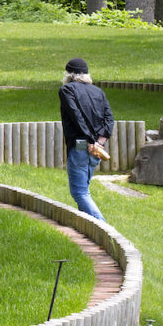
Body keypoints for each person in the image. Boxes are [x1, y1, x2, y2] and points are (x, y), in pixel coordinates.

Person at [57, 56, 113, 220]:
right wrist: (99, 142)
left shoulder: (67, 90)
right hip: (96, 150)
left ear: (70, 74)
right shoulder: (98, 92)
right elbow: (109, 119)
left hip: (82, 146)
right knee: (84, 190)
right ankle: (88, 229)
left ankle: (105, 230)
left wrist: (89, 141)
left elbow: (76, 116)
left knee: (79, 192)